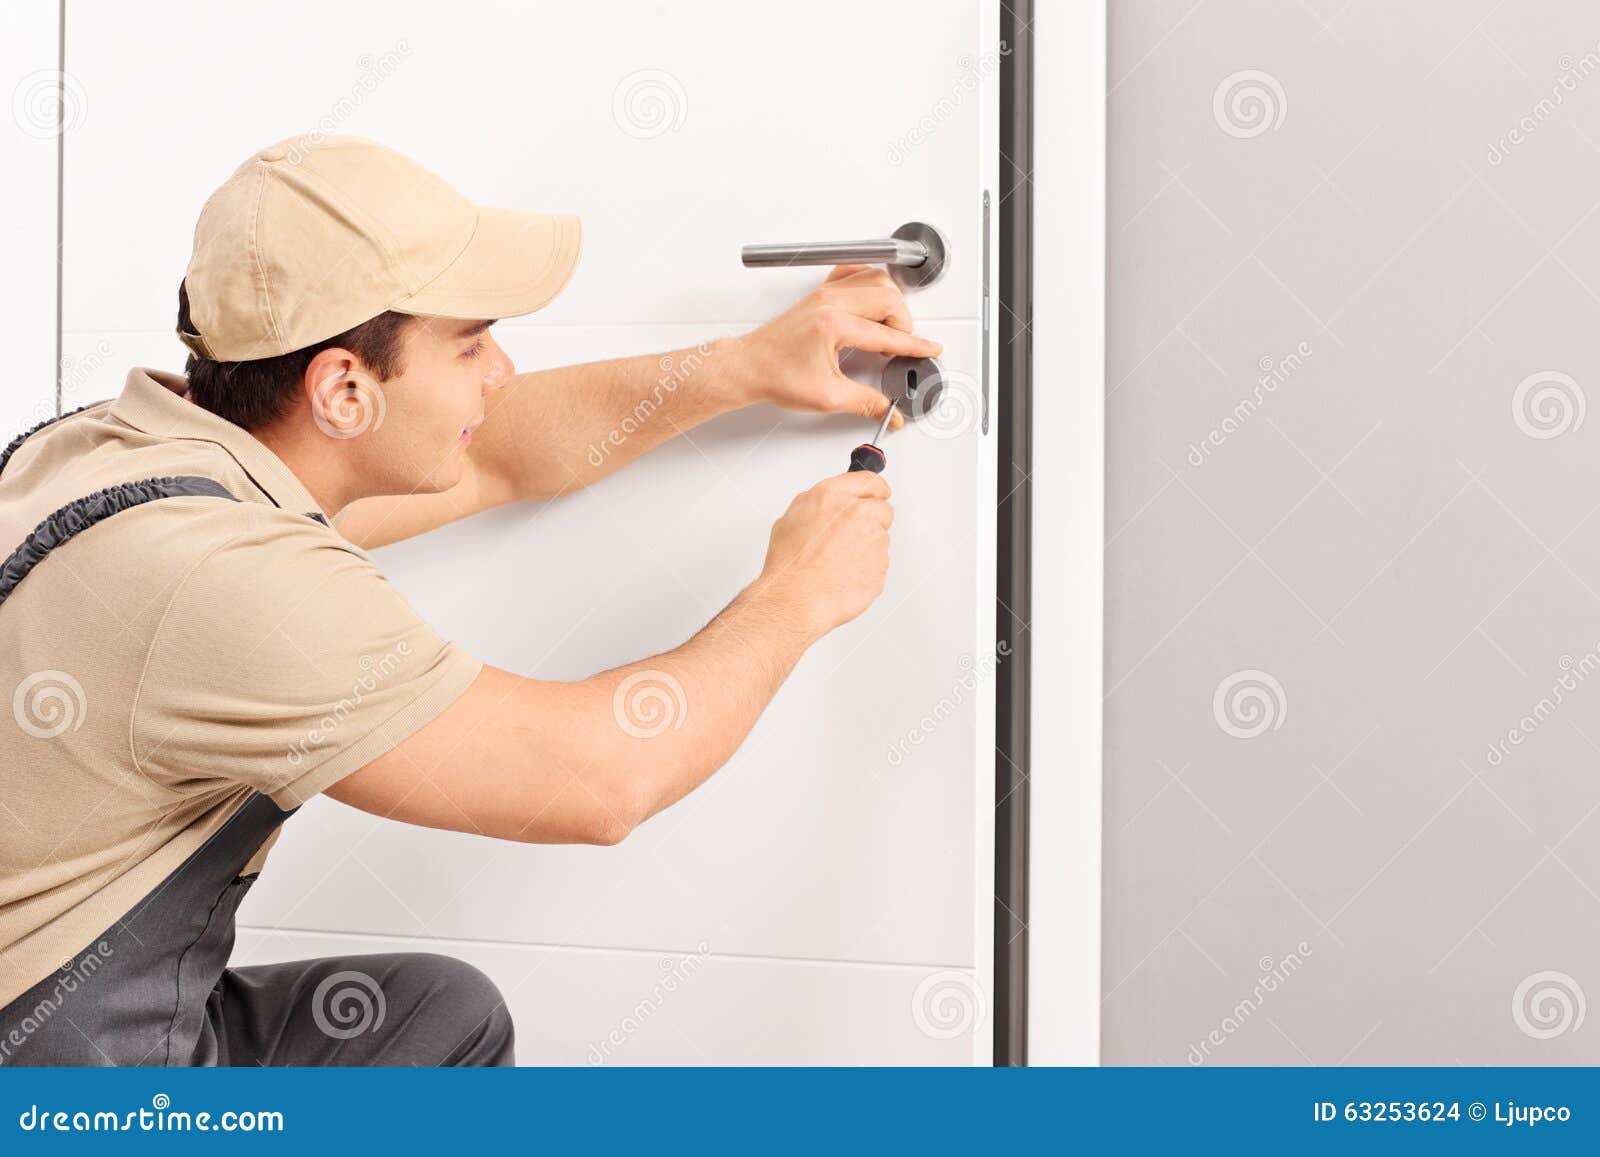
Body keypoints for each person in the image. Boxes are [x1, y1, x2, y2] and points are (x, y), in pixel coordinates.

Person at [0, 135, 940, 1066]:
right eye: (470, 342)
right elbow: (600, 779)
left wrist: (746, 366)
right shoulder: (227, 585)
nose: (502, 373)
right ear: (344, 387)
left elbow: (492, 451)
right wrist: (798, 593)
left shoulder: (118, 452)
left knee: (434, 1015)